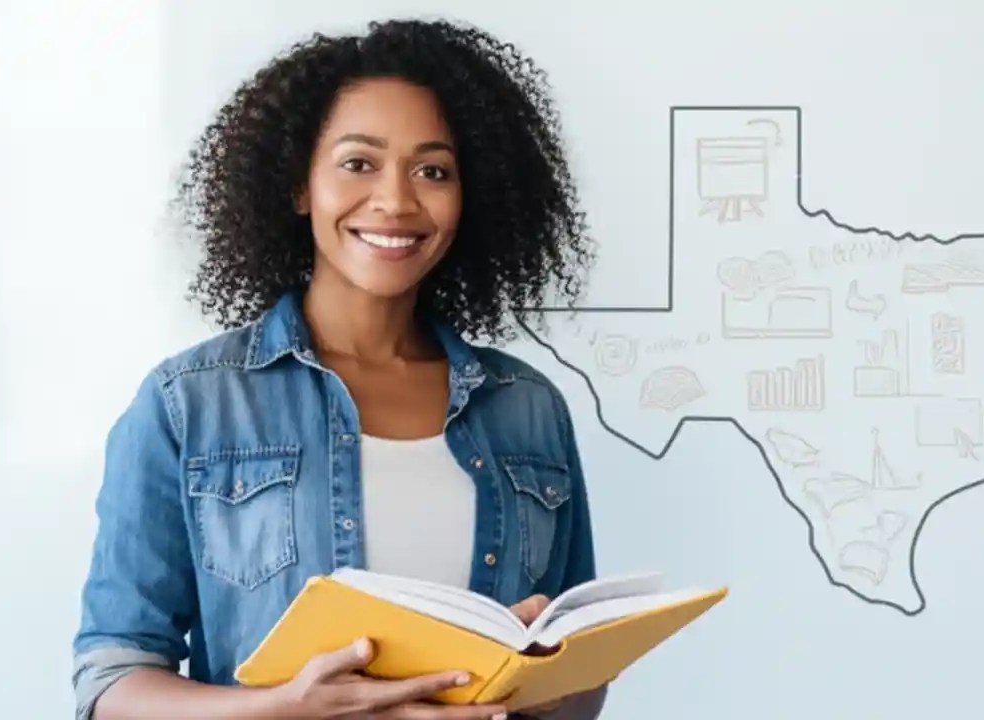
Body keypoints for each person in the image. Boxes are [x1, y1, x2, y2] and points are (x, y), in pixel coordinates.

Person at [71, 17, 605, 720]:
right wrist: (287, 707)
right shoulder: (190, 404)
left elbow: (582, 688)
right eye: (359, 163)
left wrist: (535, 679)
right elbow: (111, 685)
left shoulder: (528, 407)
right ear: (300, 185)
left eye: (433, 171)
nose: (396, 200)